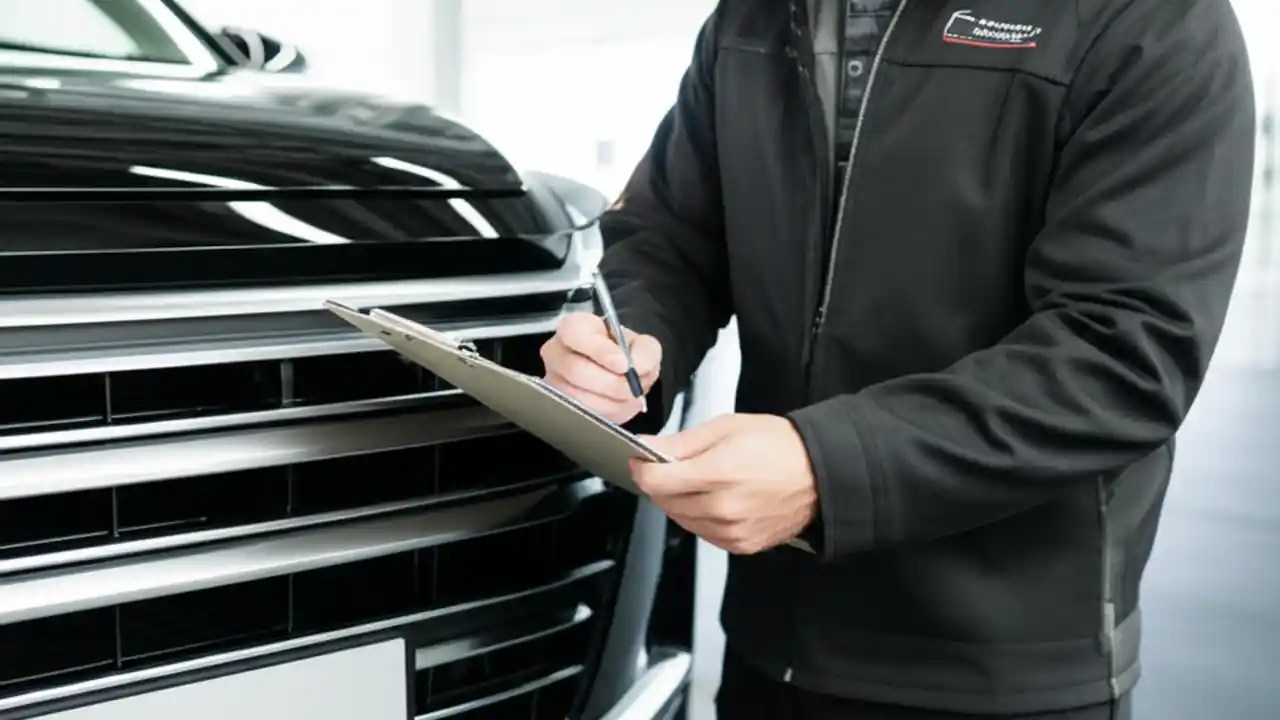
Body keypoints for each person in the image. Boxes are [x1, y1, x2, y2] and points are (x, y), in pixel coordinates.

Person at [540, 0, 1256, 717]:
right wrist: (629, 337)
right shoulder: (751, 19)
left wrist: (829, 470)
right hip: (769, 646)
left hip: (998, 671)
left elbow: (1122, 355)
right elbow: (671, 237)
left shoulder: (1152, 19)